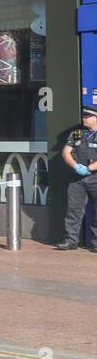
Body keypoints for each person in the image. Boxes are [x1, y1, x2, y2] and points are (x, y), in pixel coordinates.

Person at [56, 105, 97, 250]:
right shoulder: (78, 133)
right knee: (73, 211)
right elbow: (66, 152)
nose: (84, 118)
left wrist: (89, 168)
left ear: (95, 118)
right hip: (77, 179)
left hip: (95, 177)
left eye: (87, 116)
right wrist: (76, 167)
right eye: (83, 116)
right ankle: (71, 241)